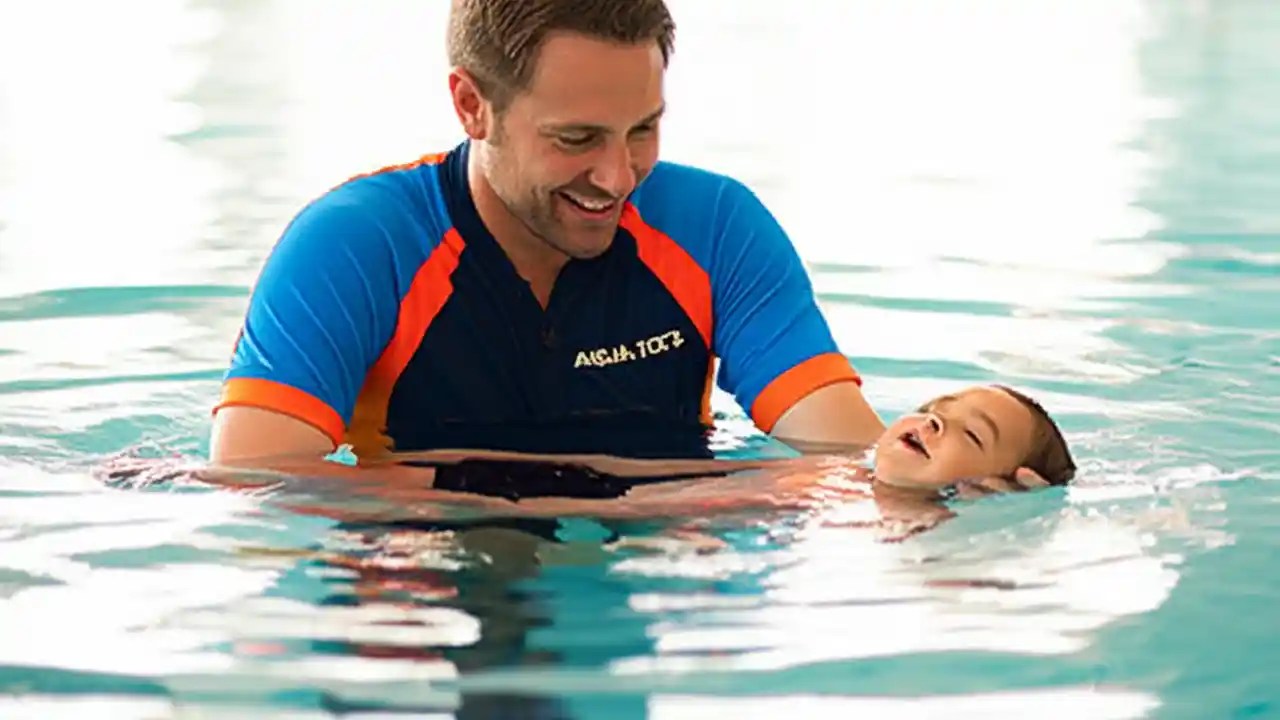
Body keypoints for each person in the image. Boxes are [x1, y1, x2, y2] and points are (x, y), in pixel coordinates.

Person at [209, 0, 886, 465]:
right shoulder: (355, 245)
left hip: (651, 583)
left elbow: (854, 463)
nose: (619, 177)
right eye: (577, 138)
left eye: (643, 129)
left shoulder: (716, 228)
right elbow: (256, 485)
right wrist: (618, 497)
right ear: (472, 105)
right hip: (425, 588)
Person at [191, 384, 1075, 540]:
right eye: (934, 406)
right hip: (626, 499)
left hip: (629, 516)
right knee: (445, 481)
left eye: (969, 433)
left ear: (994, 485)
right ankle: (224, 480)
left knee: (461, 503)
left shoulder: (926, 524)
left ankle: (229, 485)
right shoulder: (855, 476)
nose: (927, 420)